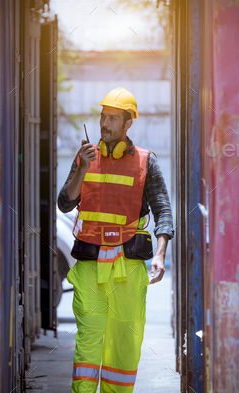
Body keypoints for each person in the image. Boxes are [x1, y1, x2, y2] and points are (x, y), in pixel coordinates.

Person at [58, 87, 174, 392]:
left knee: (123, 346)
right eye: (102, 117)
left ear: (128, 124)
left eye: (112, 119)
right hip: (89, 268)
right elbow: (64, 203)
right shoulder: (85, 158)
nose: (104, 124)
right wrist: (81, 170)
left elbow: (164, 210)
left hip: (128, 269)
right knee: (88, 344)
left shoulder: (146, 162)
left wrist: (160, 254)